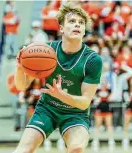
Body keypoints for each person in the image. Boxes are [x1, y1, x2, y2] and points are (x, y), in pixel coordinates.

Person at [13, 3, 102, 153]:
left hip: (75, 114)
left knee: (77, 148)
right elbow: (21, 86)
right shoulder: (46, 51)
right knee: (23, 150)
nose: (77, 25)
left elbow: (84, 103)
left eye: (81, 23)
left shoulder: (93, 60)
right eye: (72, 21)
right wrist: (20, 68)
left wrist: (62, 95)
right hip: (47, 108)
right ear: (61, 28)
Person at [91, 80, 115, 151]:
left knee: (109, 126)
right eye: (103, 84)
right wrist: (97, 98)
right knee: (97, 126)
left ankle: (111, 140)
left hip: (107, 110)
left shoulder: (109, 91)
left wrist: (107, 97)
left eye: (105, 84)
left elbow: (111, 98)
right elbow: (94, 99)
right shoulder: (97, 91)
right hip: (99, 110)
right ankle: (96, 140)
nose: (104, 85)